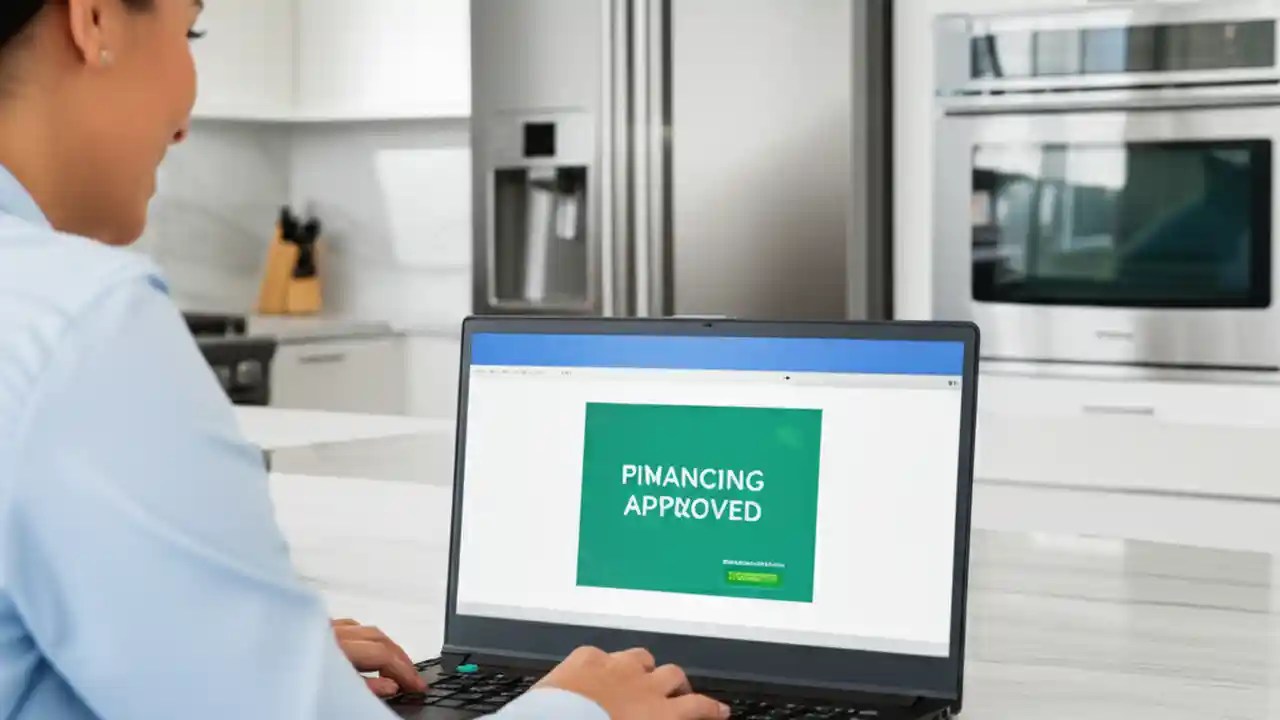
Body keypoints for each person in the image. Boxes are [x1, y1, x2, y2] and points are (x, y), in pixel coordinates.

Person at [0, 1, 729, 718]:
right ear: (93, 19)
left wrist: (232, 651)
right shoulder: (82, 322)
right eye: (189, 29)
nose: (189, 109)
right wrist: (582, 711)